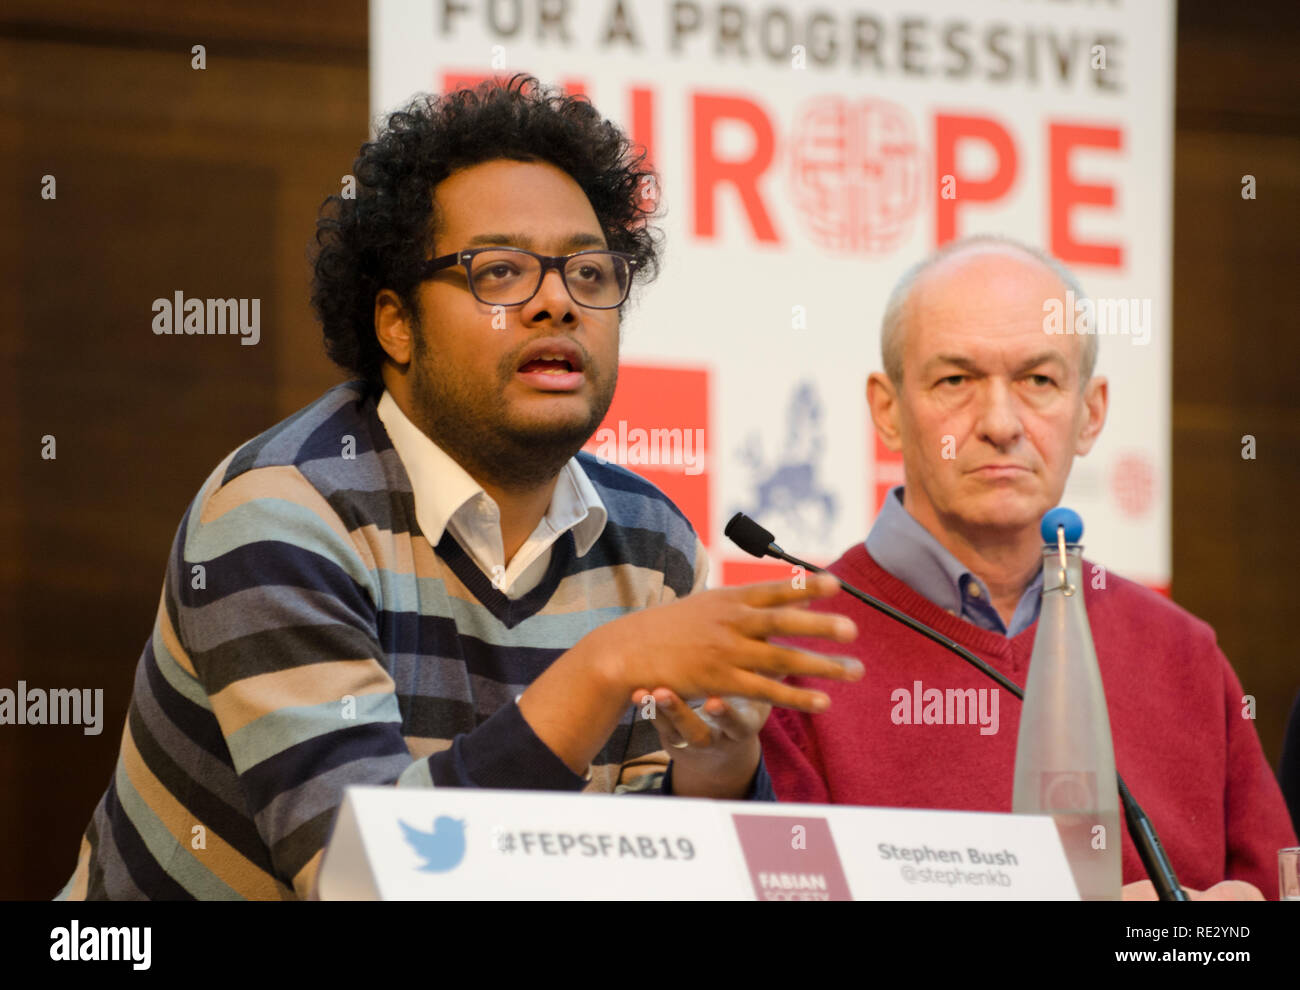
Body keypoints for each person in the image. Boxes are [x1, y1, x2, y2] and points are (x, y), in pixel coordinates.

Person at [56, 75, 862, 901]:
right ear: (396, 324)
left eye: (589, 273)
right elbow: (359, 877)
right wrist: (603, 669)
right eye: (501, 272)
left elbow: (634, 868)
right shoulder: (282, 513)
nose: (558, 303)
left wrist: (716, 774)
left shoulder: (650, 540)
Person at [759, 235, 1298, 900]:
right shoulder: (788, 657)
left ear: (1090, 413)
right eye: (955, 380)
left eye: (1038, 381)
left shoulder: (1185, 656)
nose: (1000, 423)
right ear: (887, 410)